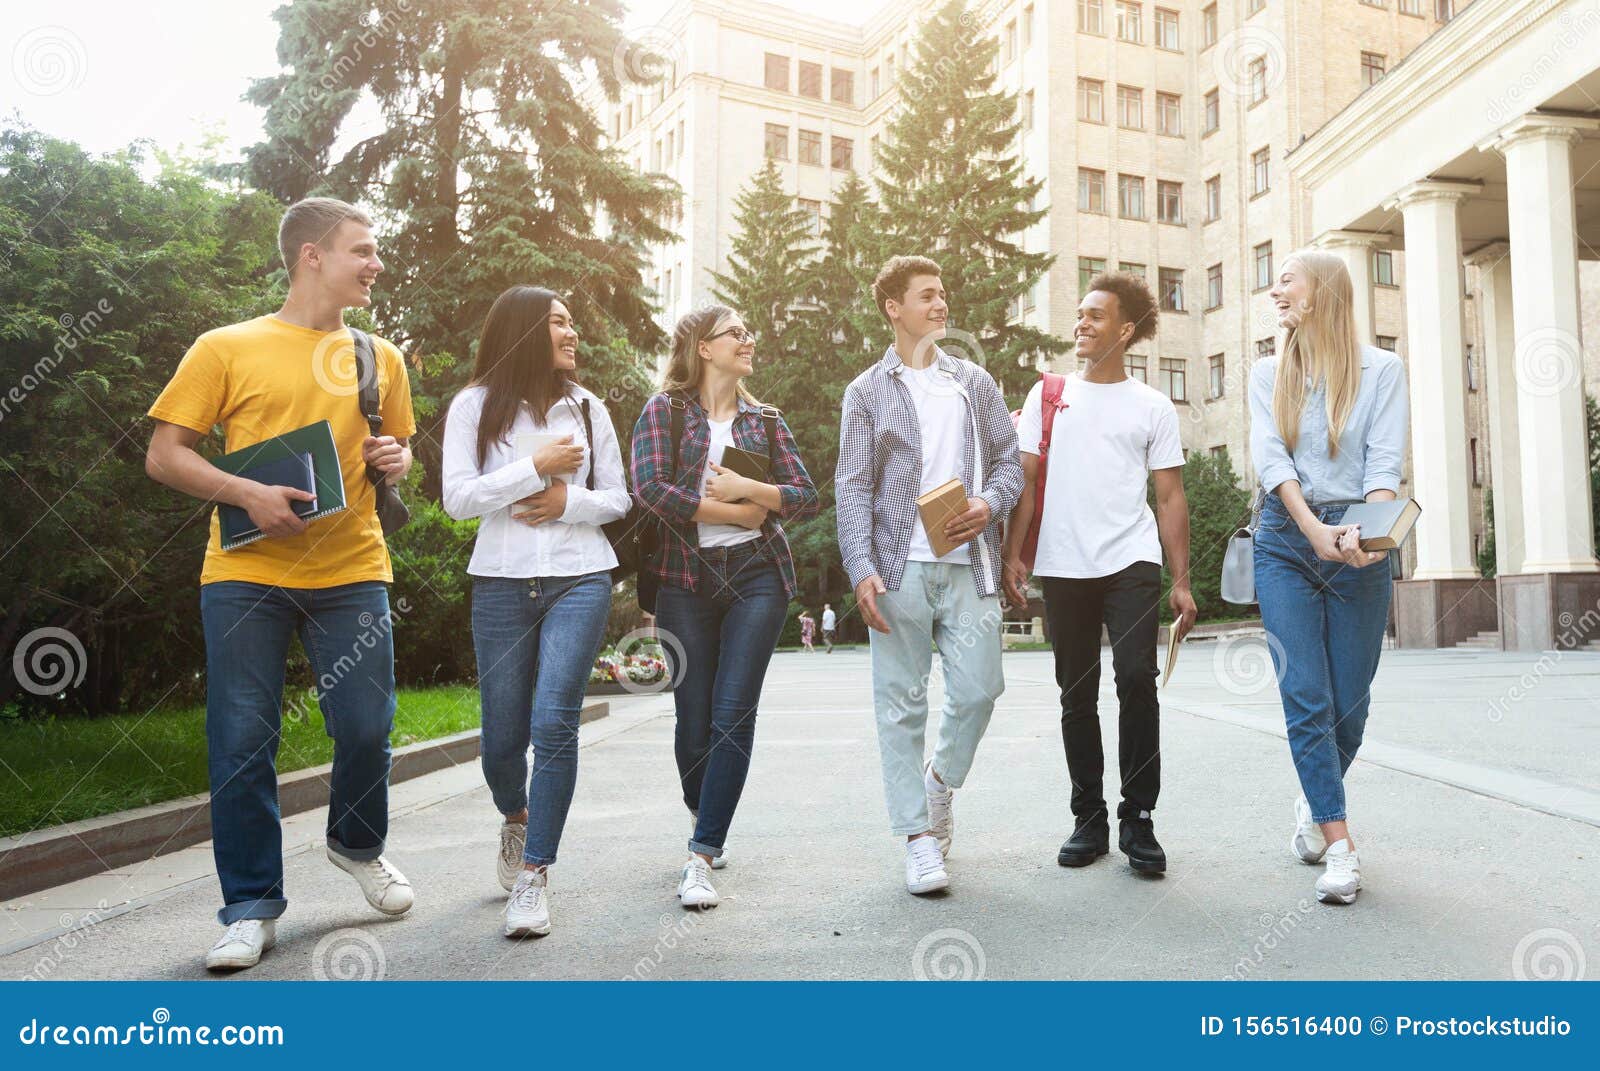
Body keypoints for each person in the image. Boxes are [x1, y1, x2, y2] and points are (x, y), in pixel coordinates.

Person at [145, 197, 416, 971]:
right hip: (246, 573)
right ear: (312, 256)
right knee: (241, 739)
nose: (376, 263)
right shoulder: (225, 347)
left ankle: (356, 843)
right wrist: (246, 493)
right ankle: (250, 906)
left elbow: (396, 452)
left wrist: (398, 459)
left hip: (352, 570)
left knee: (365, 725)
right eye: (363, 250)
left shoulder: (378, 356)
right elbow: (165, 453)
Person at [441, 286, 629, 938]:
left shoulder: (589, 407)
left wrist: (566, 503)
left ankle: (534, 874)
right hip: (500, 584)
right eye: (559, 322)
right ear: (522, 330)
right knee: (501, 742)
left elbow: (618, 499)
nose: (572, 333)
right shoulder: (473, 406)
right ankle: (515, 817)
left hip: (580, 577)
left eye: (572, 322)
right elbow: (457, 499)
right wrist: (534, 467)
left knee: (553, 721)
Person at [836, 255, 1022, 896]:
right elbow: (852, 486)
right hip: (898, 569)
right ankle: (917, 839)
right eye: (927, 295)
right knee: (900, 706)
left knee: (981, 688)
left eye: (943, 294)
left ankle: (938, 784)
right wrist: (860, 568)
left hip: (970, 563)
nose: (941, 304)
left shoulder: (973, 381)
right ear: (894, 308)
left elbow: (1010, 464)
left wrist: (989, 504)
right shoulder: (866, 392)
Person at [1004, 271, 1195, 877]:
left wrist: (1182, 580)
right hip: (1064, 563)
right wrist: (1013, 555)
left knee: (1136, 678)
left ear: (1126, 329)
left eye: (1095, 315)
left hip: (1131, 559)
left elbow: (1170, 496)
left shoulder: (1152, 405)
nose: (1081, 323)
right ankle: (1088, 816)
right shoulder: (1049, 395)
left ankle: (1138, 817)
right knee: (1076, 691)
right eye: (1080, 314)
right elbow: (1026, 483)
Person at [631, 305, 818, 908]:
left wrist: (749, 490)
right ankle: (703, 808)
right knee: (693, 722)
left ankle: (702, 853)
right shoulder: (665, 411)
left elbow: (804, 495)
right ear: (703, 348)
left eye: (747, 331)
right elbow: (649, 489)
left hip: (758, 577)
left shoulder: (765, 422)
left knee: (733, 715)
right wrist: (734, 512)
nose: (748, 339)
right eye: (736, 332)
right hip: (683, 580)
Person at [1250, 250, 1407, 906]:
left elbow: (1384, 462)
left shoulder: (1382, 369)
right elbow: (1272, 460)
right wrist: (1315, 530)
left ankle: (1317, 802)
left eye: (1287, 278)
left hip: (1358, 537)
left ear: (1324, 290)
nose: (1275, 290)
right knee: (1307, 694)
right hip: (1287, 539)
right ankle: (1341, 845)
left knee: (1351, 703)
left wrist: (1364, 533)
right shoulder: (1268, 372)